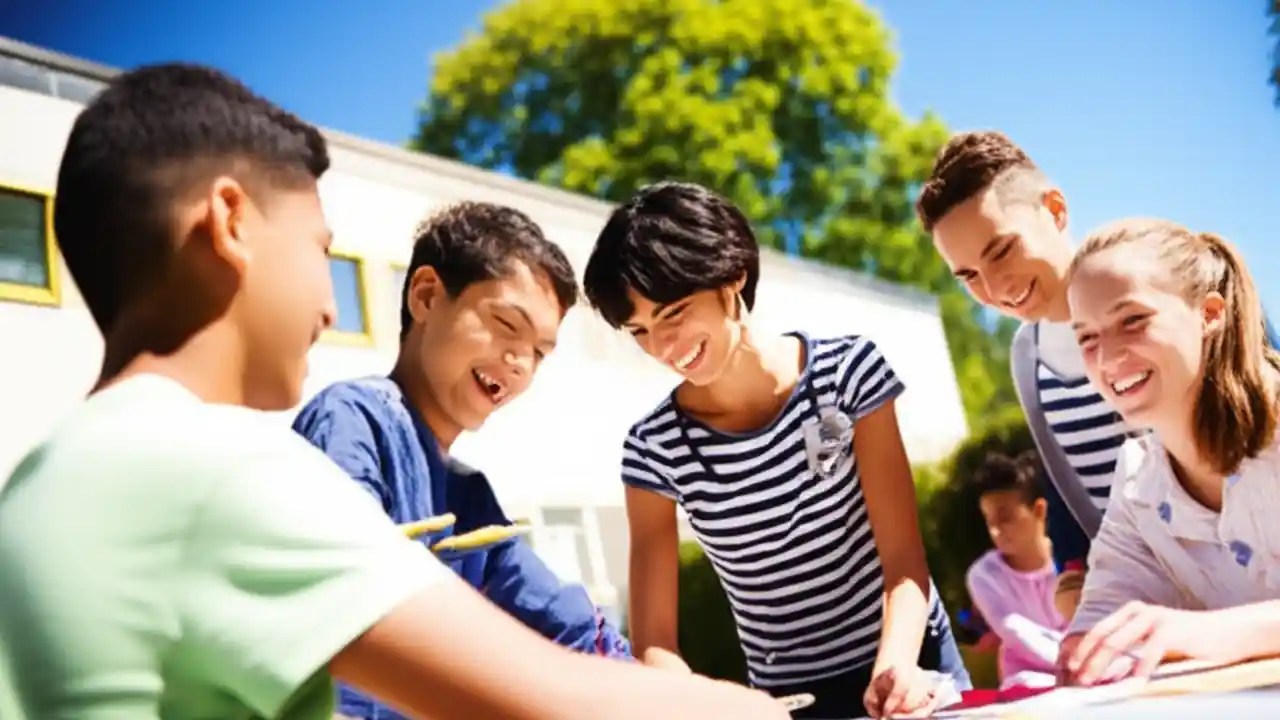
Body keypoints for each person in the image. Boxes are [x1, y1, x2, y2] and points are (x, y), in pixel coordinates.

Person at [0, 63, 790, 720]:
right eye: (321, 252)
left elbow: (569, 634)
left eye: (540, 351)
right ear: (231, 221)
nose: (330, 307)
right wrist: (740, 710)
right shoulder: (211, 470)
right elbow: (546, 700)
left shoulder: (55, 474)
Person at [582, 181, 972, 719]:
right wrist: (697, 704)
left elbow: (904, 562)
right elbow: (656, 645)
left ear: (732, 275)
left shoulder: (848, 376)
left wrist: (897, 666)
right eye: (640, 330)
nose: (663, 347)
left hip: (911, 662)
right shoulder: (654, 451)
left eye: (673, 313)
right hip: (789, 700)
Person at [916, 132, 1280, 620]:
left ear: (1055, 210)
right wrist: (1074, 570)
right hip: (1144, 595)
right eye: (968, 276)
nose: (995, 286)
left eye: (1001, 251)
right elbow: (1066, 484)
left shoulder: (1178, 287)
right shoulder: (1028, 357)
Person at [292, 201, 631, 719]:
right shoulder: (353, 419)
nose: (519, 363)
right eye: (506, 324)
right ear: (426, 295)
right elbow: (349, 598)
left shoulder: (467, 495)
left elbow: (570, 626)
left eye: (540, 352)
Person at [1056, 219, 1280, 686]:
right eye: (1087, 338)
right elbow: (1100, 624)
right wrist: (1087, 654)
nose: (1108, 358)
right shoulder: (1138, 482)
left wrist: (1207, 634)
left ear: (1209, 314)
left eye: (1132, 320)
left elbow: (1193, 635)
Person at [965, 452, 1067, 689]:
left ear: (1039, 510)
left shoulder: (1072, 560)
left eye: (1005, 517)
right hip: (1028, 682)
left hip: (1093, 669)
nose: (995, 531)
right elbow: (1014, 629)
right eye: (989, 520)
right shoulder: (984, 576)